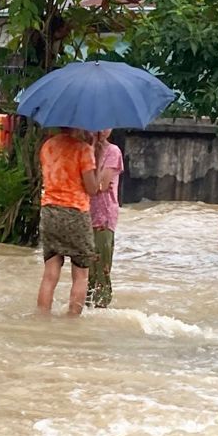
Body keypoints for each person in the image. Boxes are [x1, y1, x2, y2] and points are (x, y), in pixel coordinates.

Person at [36, 128, 102, 316]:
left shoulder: (47, 146)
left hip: (49, 211)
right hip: (76, 213)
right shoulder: (83, 150)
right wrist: (96, 151)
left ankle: (41, 317)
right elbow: (91, 188)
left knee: (50, 274)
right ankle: (72, 323)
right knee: (80, 274)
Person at [88, 130, 123, 308]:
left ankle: (101, 308)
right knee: (85, 271)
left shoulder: (113, 151)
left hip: (104, 216)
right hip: (84, 214)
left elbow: (100, 186)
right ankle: (84, 309)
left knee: (102, 268)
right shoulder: (84, 150)